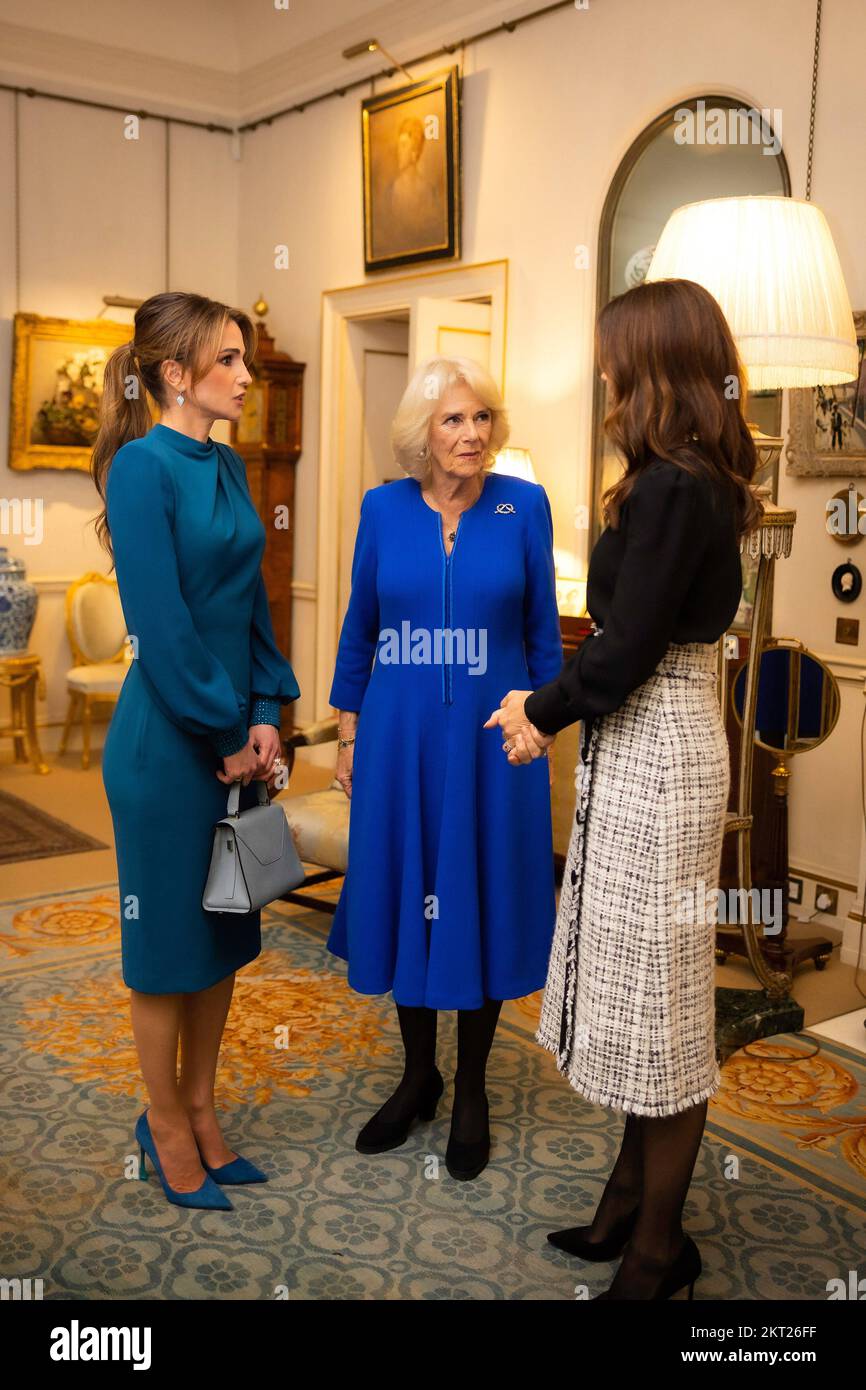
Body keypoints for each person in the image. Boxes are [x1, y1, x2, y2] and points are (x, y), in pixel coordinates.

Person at [486, 278, 760, 1298]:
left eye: (612, 355)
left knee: (665, 1012)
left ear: (647, 363)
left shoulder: (668, 487)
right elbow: (621, 643)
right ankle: (621, 1203)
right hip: (651, 744)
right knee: (645, 998)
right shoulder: (681, 477)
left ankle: (657, 1249)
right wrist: (555, 695)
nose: (601, 372)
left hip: (658, 751)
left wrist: (536, 712)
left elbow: (628, 647)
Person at [328, 356, 563, 1181]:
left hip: (496, 743)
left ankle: (471, 1088)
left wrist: (543, 726)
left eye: (482, 418)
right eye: (453, 421)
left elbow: (543, 634)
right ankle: (417, 1074)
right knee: (409, 891)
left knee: (481, 894)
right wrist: (349, 734)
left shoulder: (522, 506)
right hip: (398, 738)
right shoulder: (382, 510)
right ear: (420, 437)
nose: (473, 434)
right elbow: (360, 625)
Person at [92, 291, 300, 1210]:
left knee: (221, 940)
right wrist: (225, 735)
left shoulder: (225, 466)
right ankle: (165, 1122)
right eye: (230, 362)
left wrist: (264, 712)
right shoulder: (142, 470)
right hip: (166, 749)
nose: (246, 377)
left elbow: (250, 604)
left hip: (229, 740)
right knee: (167, 950)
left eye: (246, 362)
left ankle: (205, 1109)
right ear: (175, 375)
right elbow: (164, 628)